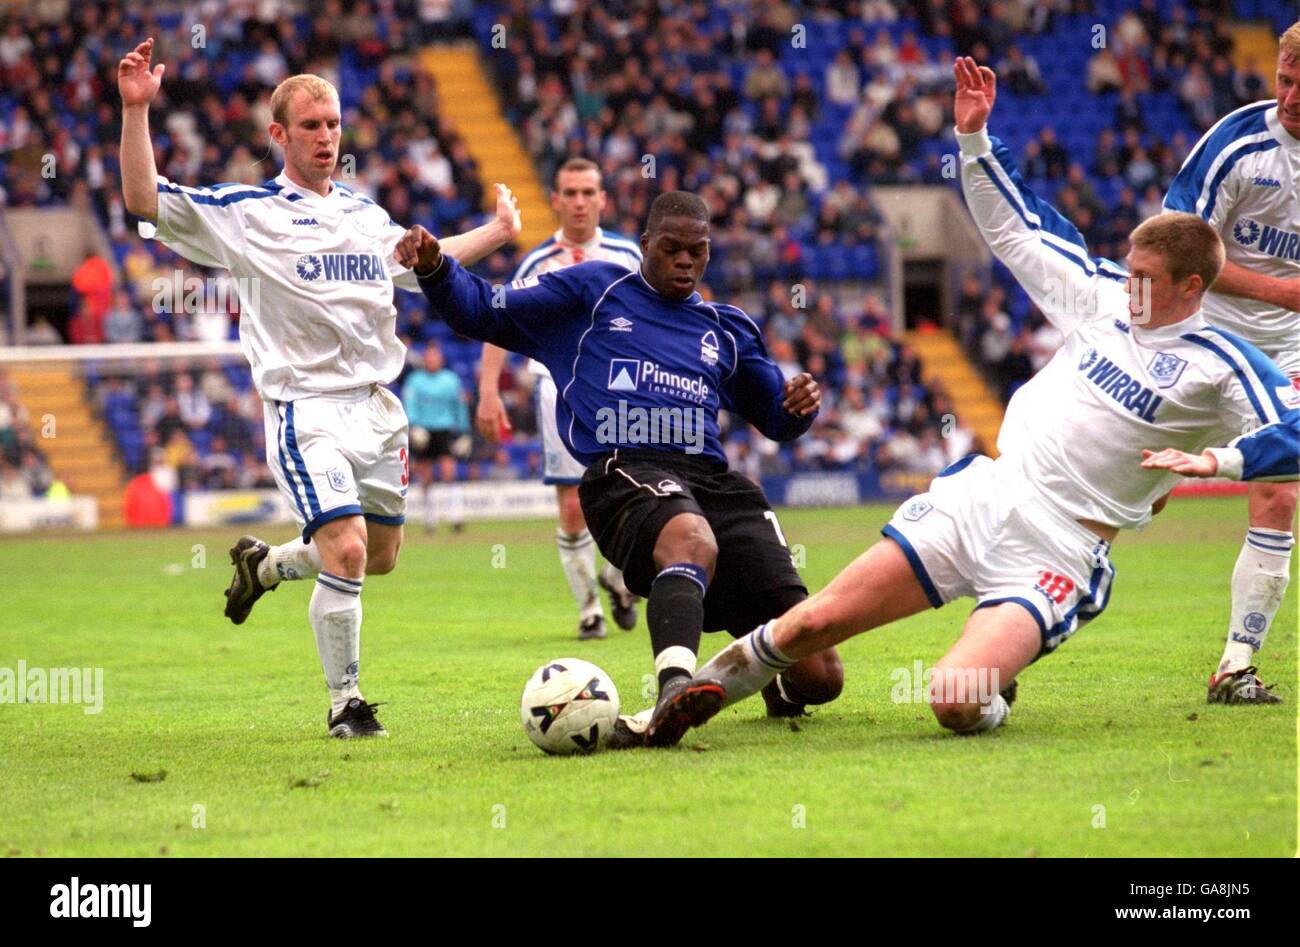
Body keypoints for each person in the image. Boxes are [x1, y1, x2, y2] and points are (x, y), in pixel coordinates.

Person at [666, 57, 1300, 740]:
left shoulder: (1226, 363)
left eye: (1147, 279)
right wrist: (974, 141)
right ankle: (663, 715)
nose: (1130, 288)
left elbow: (1290, 432)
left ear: (1192, 286)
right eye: (1131, 271)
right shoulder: (1101, 294)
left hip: (1059, 549)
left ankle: (1005, 679)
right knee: (812, 621)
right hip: (987, 494)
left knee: (954, 699)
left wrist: (1224, 463)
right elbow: (1020, 229)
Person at [117, 38, 521, 738]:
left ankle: (267, 565)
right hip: (307, 411)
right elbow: (143, 198)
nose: (326, 136)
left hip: (377, 409)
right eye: (311, 125)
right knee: (350, 548)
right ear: (279, 135)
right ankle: (347, 704)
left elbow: (425, 262)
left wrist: (498, 230)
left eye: (333, 123)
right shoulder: (245, 213)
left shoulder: (365, 216)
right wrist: (135, 112)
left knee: (382, 556)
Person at [397, 190, 844, 748]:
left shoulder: (726, 329)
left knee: (822, 676)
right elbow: (485, 309)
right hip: (623, 471)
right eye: (672, 249)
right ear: (645, 245)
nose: (685, 261)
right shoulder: (592, 293)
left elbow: (776, 420)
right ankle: (673, 692)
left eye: (697, 252)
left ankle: (768, 680)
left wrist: (798, 407)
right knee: (691, 539)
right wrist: (436, 267)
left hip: (711, 481)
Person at [1160, 21, 1300, 703]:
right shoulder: (1238, 143)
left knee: (1279, 488)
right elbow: (1174, 240)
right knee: (1133, 497)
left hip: (1290, 352)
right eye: (1285, 78)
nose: (1292, 94)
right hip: (1205, 338)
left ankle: (1235, 665)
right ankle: (1015, 627)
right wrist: (1278, 290)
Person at [476, 157, 641, 640]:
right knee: (572, 506)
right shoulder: (537, 262)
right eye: (570, 192)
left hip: (622, 389)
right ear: (555, 200)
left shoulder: (626, 256)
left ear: (603, 199)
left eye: (589, 192)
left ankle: (615, 575)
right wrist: (489, 391)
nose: (579, 201)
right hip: (559, 389)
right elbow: (497, 320)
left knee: (632, 494)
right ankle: (590, 609)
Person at [402, 342, 469, 533]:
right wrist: (413, 426)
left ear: (440, 359)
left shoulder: (451, 380)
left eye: (435, 357)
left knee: (449, 471)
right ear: (425, 359)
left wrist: (464, 431)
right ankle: (430, 520)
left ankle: (456, 517)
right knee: (426, 475)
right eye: (429, 357)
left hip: (444, 429)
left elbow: (460, 405)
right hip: (423, 431)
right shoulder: (415, 380)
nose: (432, 360)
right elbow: (410, 403)